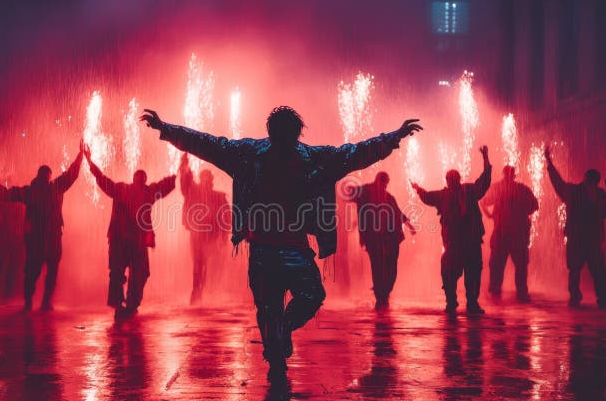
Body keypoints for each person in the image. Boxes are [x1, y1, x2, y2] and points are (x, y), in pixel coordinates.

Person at [140, 106, 421, 377]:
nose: (285, 139)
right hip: (263, 246)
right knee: (268, 306)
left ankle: (282, 332)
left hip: (294, 246)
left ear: (296, 134)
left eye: (289, 134)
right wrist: (166, 129)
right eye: (281, 133)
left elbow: (357, 153)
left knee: (311, 296)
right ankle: (275, 357)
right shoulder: (249, 154)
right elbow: (206, 144)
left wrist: (393, 138)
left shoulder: (312, 157)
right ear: (274, 133)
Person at [0, 142, 84, 311]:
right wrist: (81, 155)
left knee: (39, 271)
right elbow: (72, 174)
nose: (46, 178)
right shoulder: (49, 188)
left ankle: (37, 301)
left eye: (46, 175)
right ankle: (38, 301)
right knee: (41, 270)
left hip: (43, 237)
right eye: (45, 175)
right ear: (45, 176)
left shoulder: (39, 190)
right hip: (44, 238)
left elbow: (9, 195)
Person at [86, 145, 176, 318]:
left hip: (135, 240)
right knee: (119, 272)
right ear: (135, 179)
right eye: (139, 178)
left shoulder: (146, 192)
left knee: (137, 273)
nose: (141, 181)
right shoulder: (124, 189)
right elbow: (102, 179)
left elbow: (165, 186)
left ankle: (129, 303)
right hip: (122, 239)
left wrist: (178, 172)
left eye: (143, 179)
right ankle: (123, 304)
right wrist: (90, 162)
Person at [413, 146, 492, 315]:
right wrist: (418, 189)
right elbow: (427, 197)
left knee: (473, 273)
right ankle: (451, 301)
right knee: (449, 272)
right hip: (454, 242)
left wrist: (486, 158)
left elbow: (484, 181)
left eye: (454, 178)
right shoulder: (444, 195)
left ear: (458, 178)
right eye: (449, 178)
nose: (452, 181)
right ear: (447, 180)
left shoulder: (469, 190)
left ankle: (471, 302)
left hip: (469, 241)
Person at [545, 146, 606, 308]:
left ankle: (586, 298)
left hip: (584, 240)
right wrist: (549, 163)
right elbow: (558, 183)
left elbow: (558, 183)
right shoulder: (591, 194)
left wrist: (549, 163)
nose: (591, 184)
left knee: (588, 271)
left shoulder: (588, 194)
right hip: (584, 240)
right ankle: (586, 298)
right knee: (584, 271)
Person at [349, 171, 415, 310]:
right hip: (373, 238)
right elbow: (353, 194)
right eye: (382, 181)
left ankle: (385, 293)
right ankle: (380, 296)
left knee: (391, 267)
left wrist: (409, 225)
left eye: (385, 182)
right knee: (377, 266)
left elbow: (398, 212)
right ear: (377, 181)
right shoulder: (367, 193)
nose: (384, 185)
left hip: (391, 238)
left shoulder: (389, 198)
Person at [480, 165, 538, 301]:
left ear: (503, 174)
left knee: (497, 264)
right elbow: (535, 205)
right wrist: (523, 213)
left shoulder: (498, 188)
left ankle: (495, 292)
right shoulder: (522, 189)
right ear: (514, 175)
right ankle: (521, 292)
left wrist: (489, 215)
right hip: (518, 234)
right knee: (520, 265)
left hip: (502, 233)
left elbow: (483, 202)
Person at [179, 153, 229, 304]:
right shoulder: (193, 191)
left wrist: (224, 236)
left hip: (211, 235)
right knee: (198, 262)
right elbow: (185, 181)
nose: (206, 180)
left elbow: (226, 217)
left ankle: (201, 289)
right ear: (201, 179)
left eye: (209, 178)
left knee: (204, 263)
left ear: (211, 180)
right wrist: (184, 165)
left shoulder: (219, 196)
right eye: (204, 177)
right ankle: (197, 290)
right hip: (197, 233)